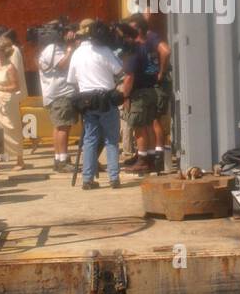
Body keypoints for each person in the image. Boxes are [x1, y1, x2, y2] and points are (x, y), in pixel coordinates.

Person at [66, 20, 125, 190]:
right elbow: (119, 71)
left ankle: (87, 179)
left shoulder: (77, 54)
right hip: (106, 98)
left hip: (86, 101)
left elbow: (71, 80)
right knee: (111, 140)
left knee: (89, 140)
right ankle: (114, 178)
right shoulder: (104, 51)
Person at [128, 14, 172, 172]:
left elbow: (166, 51)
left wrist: (161, 72)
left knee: (143, 123)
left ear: (138, 29)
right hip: (156, 86)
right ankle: (156, 157)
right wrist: (160, 72)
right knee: (153, 121)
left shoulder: (140, 43)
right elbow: (165, 51)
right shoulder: (152, 37)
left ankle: (144, 158)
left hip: (146, 87)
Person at [38, 22, 78, 173]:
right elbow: (62, 64)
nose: (69, 34)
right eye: (67, 31)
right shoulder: (54, 49)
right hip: (61, 93)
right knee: (63, 128)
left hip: (53, 93)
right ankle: (62, 161)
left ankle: (59, 158)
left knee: (59, 127)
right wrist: (70, 49)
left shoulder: (47, 49)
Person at [117, 23, 156, 175]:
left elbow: (129, 77)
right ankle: (150, 158)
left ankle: (143, 161)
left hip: (138, 93)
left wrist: (125, 96)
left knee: (139, 128)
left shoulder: (132, 51)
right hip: (150, 90)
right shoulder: (145, 46)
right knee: (148, 126)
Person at [0, 37, 25, 175]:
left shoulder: (10, 67)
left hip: (8, 102)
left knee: (13, 129)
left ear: (4, 51)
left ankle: (20, 159)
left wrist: (0, 89)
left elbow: (16, 86)